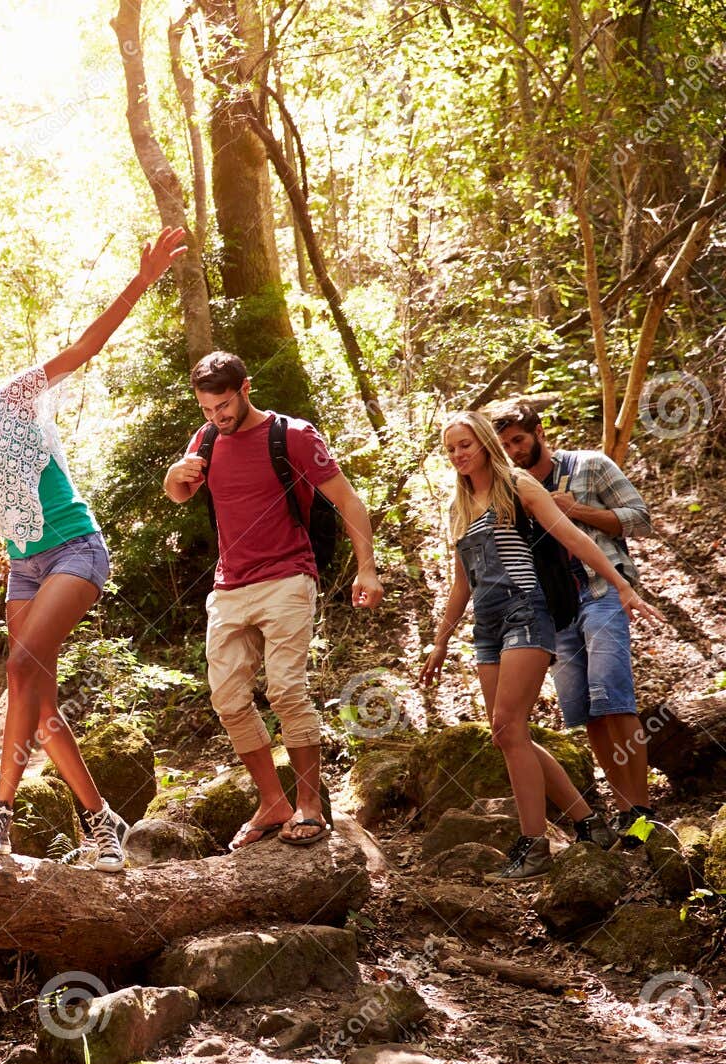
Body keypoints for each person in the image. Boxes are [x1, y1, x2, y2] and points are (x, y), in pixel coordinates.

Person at [0, 227, 188, 872]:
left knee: (20, 669)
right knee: (42, 711)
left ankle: (1, 811)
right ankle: (101, 822)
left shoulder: (17, 396)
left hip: (76, 549)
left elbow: (85, 346)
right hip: (23, 568)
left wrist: (143, 278)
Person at [418, 413, 662, 881]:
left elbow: (572, 536)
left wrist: (623, 586)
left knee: (510, 726)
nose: (458, 454)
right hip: (486, 627)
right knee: (509, 735)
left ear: (484, 443)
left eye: (465, 444)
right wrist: (440, 641)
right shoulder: (461, 504)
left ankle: (535, 847)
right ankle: (587, 822)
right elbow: (462, 583)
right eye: (450, 449)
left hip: (526, 614)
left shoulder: (518, 485)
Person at [164, 351, 383, 851]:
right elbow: (178, 493)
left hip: (288, 576)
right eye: (206, 410)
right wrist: (175, 474)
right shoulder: (208, 440)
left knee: (285, 690)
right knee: (228, 698)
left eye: (223, 406)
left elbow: (349, 501)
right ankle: (272, 802)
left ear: (245, 387)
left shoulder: (294, 436)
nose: (216, 417)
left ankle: (309, 804)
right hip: (229, 585)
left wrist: (366, 567)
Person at [490, 399, 656, 846]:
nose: (513, 450)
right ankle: (623, 809)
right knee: (586, 711)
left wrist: (575, 509)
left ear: (539, 432)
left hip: (600, 592)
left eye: (519, 440)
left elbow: (640, 520)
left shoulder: (590, 465)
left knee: (614, 697)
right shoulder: (509, 487)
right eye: (504, 445)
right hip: (553, 608)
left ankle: (641, 813)